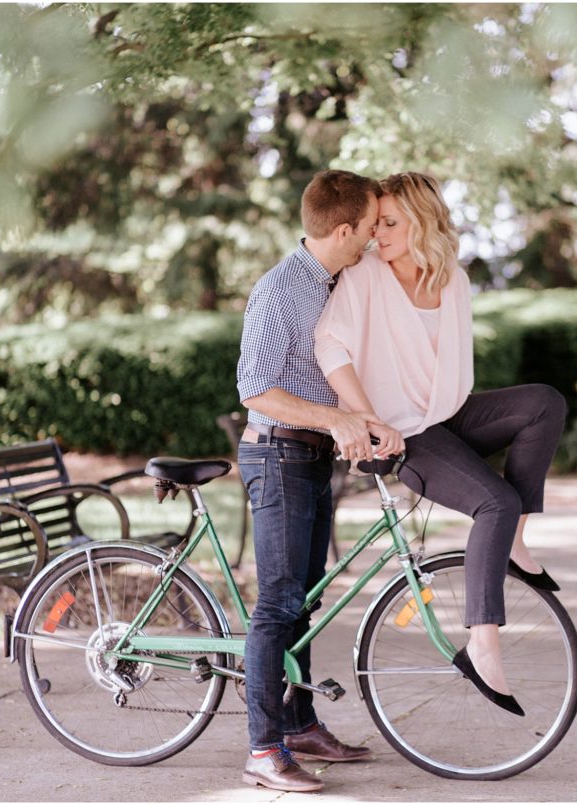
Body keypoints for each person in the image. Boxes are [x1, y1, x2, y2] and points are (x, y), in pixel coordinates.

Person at [314, 170, 567, 717]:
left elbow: (445, 379)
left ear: (422, 221)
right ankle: (482, 644)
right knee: (495, 501)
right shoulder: (365, 276)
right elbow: (329, 345)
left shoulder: (453, 280)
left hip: (448, 415)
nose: (377, 234)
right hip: (404, 432)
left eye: (389, 223)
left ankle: (515, 540)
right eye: (376, 224)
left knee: (544, 402)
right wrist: (367, 417)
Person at [236, 169, 382, 793]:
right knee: (277, 603)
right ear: (343, 230)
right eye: (370, 227)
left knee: (305, 601)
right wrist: (337, 418)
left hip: (312, 457)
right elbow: (255, 390)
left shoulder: (335, 282)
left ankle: (298, 725)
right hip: (277, 456)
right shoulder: (281, 289)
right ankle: (263, 750)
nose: (374, 238)